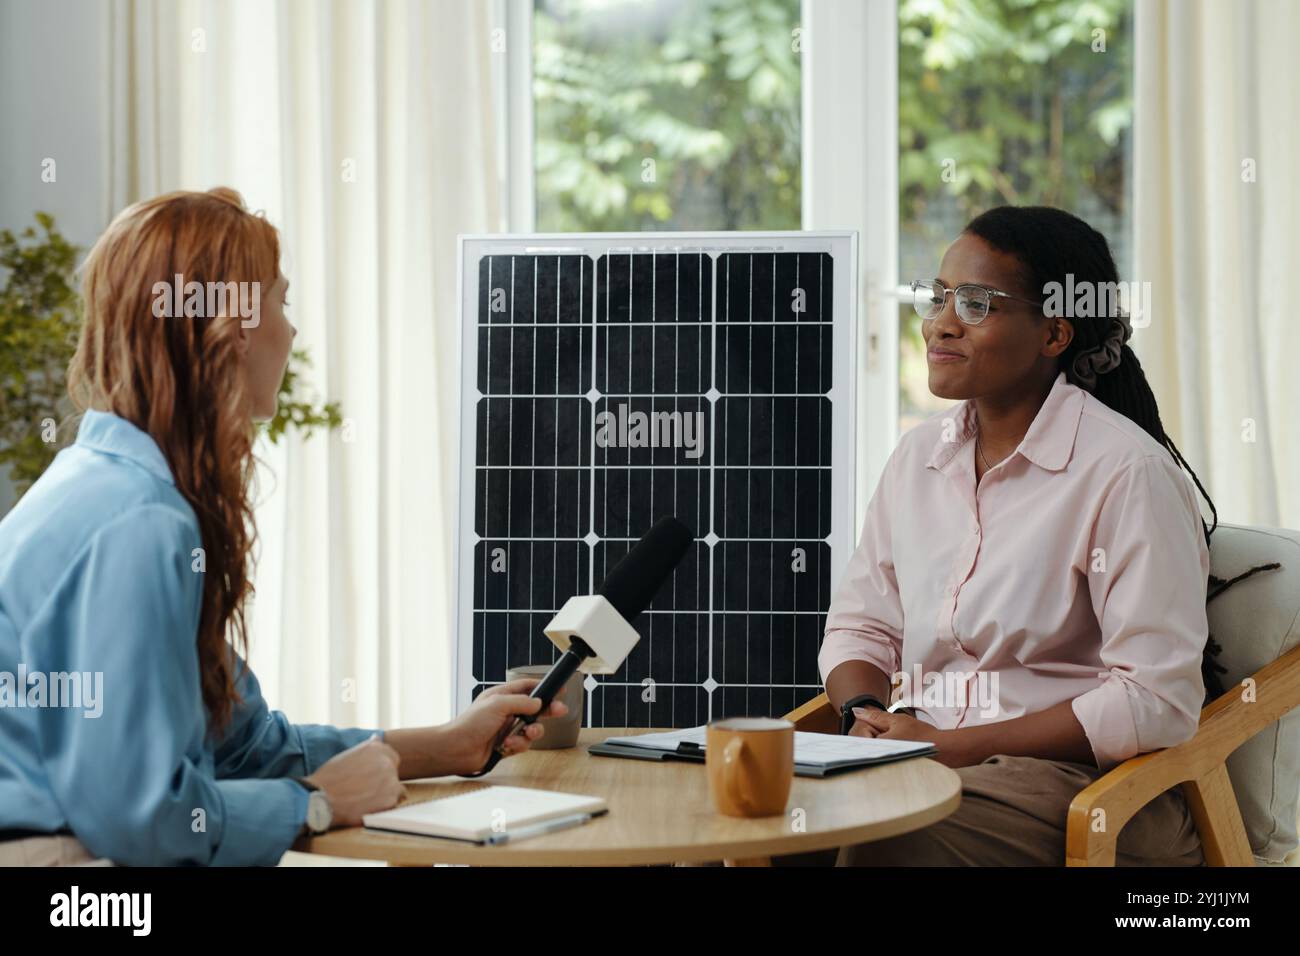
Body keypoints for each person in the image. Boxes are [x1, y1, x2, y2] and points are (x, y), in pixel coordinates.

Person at [0, 188, 564, 866]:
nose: (290, 332)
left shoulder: (118, 485)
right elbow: (137, 816)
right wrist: (314, 803)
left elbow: (244, 745)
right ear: (233, 328)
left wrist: (448, 743)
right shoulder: (139, 523)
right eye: (281, 302)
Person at [821, 206, 1214, 866]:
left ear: (1054, 332)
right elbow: (863, 627)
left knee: (882, 840)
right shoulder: (917, 461)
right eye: (939, 296)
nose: (941, 322)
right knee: (744, 825)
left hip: (1087, 789)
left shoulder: (1127, 474)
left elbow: (1155, 699)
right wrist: (864, 715)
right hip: (927, 762)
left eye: (976, 303)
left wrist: (952, 746)